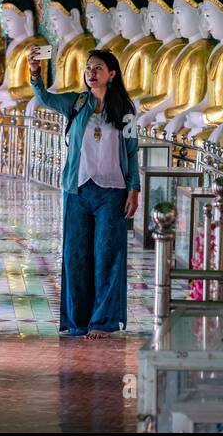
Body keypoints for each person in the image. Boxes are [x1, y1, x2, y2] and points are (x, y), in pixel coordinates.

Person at [30, 49, 141, 338]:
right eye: (89, 68)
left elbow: (131, 150)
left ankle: (103, 321)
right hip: (77, 190)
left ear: (112, 74)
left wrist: (134, 189)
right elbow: (45, 99)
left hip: (112, 191)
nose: (92, 72)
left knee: (107, 255)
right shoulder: (77, 102)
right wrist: (35, 74)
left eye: (98, 68)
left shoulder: (125, 109)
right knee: (76, 256)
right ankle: (78, 320)